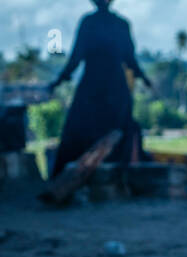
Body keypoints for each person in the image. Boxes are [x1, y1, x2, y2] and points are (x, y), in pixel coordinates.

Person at [47, 0, 153, 177]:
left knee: (83, 130)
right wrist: (144, 77)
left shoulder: (91, 23)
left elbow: (76, 57)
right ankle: (115, 175)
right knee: (118, 128)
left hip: (94, 86)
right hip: (112, 88)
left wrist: (59, 79)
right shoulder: (119, 24)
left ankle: (108, 176)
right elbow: (130, 60)